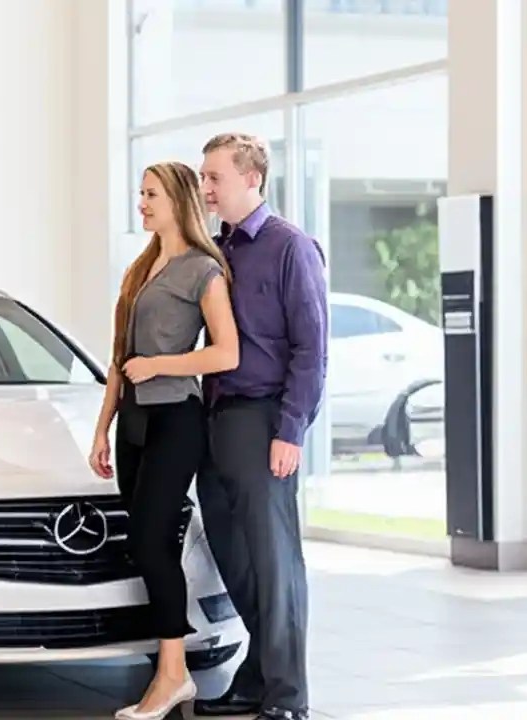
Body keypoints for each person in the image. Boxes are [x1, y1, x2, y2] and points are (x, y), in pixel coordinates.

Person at [88, 161, 240, 720]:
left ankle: (173, 674)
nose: (142, 203)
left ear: (178, 200)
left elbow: (226, 352)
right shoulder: (141, 267)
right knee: (146, 544)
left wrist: (159, 365)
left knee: (153, 542)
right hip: (133, 423)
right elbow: (118, 358)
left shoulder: (204, 269)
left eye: (151, 194)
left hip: (177, 419)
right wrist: (102, 429)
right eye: (141, 193)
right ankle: (171, 671)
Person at [192, 132, 327, 720]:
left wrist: (290, 431)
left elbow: (312, 350)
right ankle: (257, 674)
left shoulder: (291, 247)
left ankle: (288, 696)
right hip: (215, 418)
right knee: (234, 556)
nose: (205, 187)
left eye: (214, 177)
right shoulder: (214, 250)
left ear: (252, 179)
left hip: (263, 417)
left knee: (275, 563)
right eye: (203, 177)